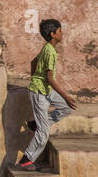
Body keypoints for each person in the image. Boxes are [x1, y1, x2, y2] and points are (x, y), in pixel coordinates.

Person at [17, 18, 78, 169]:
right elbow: (50, 79)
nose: (62, 33)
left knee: (67, 108)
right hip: (40, 93)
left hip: (45, 89)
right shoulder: (50, 52)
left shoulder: (47, 48)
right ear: (53, 34)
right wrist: (66, 96)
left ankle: (35, 124)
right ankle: (27, 160)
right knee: (44, 133)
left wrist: (36, 77)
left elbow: (33, 62)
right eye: (59, 31)